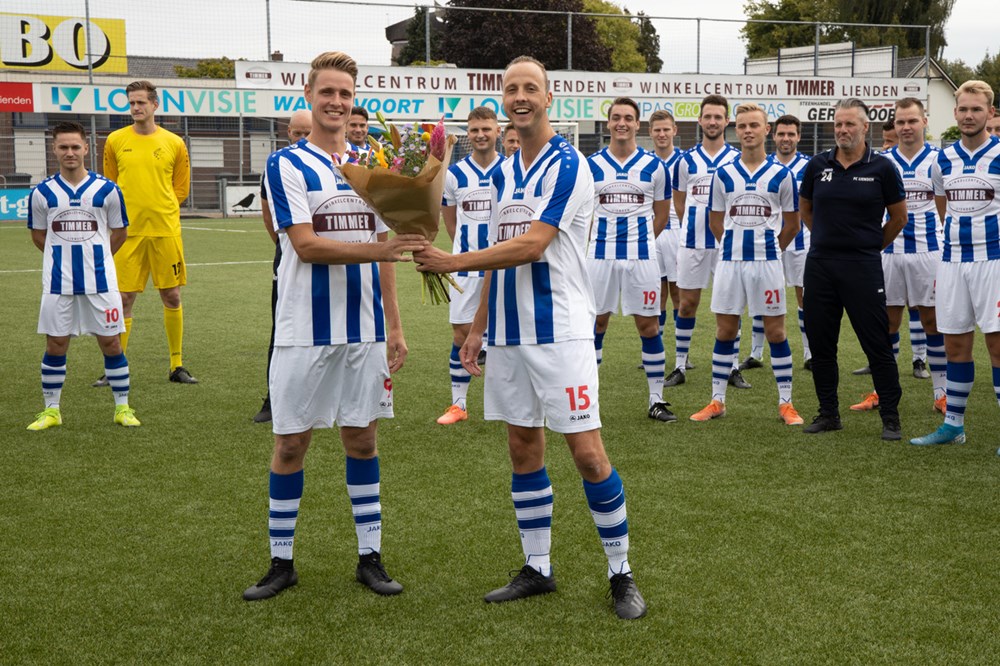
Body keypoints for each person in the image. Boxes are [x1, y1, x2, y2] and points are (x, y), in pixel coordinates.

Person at [414, 55, 647, 620]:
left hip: (562, 334)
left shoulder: (570, 166)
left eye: (530, 89)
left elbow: (532, 245)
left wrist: (451, 262)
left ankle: (621, 572)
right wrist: (477, 326)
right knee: (523, 447)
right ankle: (537, 567)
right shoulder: (504, 172)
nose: (520, 97)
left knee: (588, 455)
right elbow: (503, 260)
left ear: (549, 99)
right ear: (503, 101)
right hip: (511, 337)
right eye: (510, 89)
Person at [242, 51, 428, 601]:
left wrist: (394, 326)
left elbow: (384, 258)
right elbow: (303, 245)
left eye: (346, 94)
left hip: (364, 331)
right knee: (291, 444)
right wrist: (383, 246)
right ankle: (281, 562)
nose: (337, 103)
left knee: (363, 440)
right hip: (303, 329)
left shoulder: (373, 164)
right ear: (310, 97)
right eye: (328, 92)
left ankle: (369, 557)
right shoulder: (285, 165)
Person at [799, 98, 908, 440]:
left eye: (849, 124)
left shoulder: (883, 168)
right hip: (820, 266)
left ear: (865, 127)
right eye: (838, 125)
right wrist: (828, 240)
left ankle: (890, 417)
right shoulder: (818, 165)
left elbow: (899, 217)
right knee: (821, 344)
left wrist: (869, 246)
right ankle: (828, 413)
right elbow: (806, 209)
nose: (843, 130)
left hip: (863, 266)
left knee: (876, 344)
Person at [689, 103, 802, 425]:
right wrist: (735, 246)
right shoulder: (722, 175)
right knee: (725, 330)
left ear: (766, 130)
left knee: (776, 332)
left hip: (767, 265)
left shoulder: (782, 175)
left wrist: (770, 250)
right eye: (742, 126)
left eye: (754, 125)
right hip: (730, 263)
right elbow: (715, 223)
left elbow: (792, 225)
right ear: (735, 130)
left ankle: (785, 403)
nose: (748, 131)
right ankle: (717, 400)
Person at [26, 121, 140, 430]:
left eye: (75, 146)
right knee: (56, 344)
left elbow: (119, 232)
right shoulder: (42, 192)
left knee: (111, 343)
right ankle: (51, 411)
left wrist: (97, 257)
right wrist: (59, 259)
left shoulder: (107, 190)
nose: (70, 152)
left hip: (101, 283)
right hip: (57, 283)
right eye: (63, 147)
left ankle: (122, 408)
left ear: (86, 148)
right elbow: (39, 236)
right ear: (54, 150)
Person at [911, 81, 1000, 447]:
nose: (968, 115)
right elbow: (944, 206)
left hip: (993, 262)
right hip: (951, 262)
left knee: (996, 346)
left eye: (976, 109)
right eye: (963, 109)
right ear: (955, 112)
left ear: (990, 113)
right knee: (955, 346)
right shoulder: (941, 160)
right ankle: (953, 426)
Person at [850, 98, 945, 416]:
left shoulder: (938, 159)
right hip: (887, 253)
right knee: (886, 324)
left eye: (912, 121)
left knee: (933, 322)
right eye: (901, 122)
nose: (906, 127)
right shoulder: (880, 161)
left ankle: (941, 393)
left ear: (924, 122)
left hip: (928, 252)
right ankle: (881, 390)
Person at [99, 80, 195, 385]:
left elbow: (181, 187)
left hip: (165, 231)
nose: (136, 108)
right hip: (128, 232)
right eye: (131, 103)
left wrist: (161, 209)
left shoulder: (174, 142)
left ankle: (177, 365)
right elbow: (111, 185)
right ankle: (116, 366)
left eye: (141, 102)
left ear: (154, 105)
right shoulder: (115, 140)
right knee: (124, 298)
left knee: (171, 294)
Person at [587, 97, 674, 422]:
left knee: (649, 326)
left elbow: (662, 216)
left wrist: (637, 242)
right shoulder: (591, 165)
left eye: (628, 118)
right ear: (608, 123)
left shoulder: (655, 166)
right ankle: (588, 399)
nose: (621, 123)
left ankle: (656, 399)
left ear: (638, 125)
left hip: (641, 258)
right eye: (616, 118)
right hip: (599, 257)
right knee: (595, 325)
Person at [668, 94, 750, 389]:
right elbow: (680, 204)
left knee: (731, 306)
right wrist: (695, 225)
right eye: (708, 117)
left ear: (726, 121)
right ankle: (680, 364)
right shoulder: (685, 161)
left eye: (718, 117)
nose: (713, 122)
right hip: (692, 243)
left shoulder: (737, 158)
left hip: (729, 245)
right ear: (700, 120)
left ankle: (731, 367)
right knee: (687, 304)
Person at [436, 106, 504, 425]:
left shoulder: (511, 170)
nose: (480, 135)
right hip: (465, 267)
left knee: (507, 336)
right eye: (474, 130)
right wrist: (466, 254)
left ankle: (507, 402)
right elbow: (451, 222)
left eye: (486, 129)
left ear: (497, 131)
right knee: (461, 334)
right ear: (468, 133)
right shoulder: (454, 174)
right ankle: (459, 405)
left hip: (504, 266)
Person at [253, 110, 313, 423]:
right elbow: (267, 215)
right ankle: (273, 399)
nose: (301, 138)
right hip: (289, 256)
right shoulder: (277, 163)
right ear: (288, 132)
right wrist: (286, 246)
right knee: (283, 326)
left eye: (307, 133)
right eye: (297, 133)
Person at [740, 114, 811, 372]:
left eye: (791, 134)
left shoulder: (809, 166)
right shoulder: (762, 165)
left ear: (799, 137)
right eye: (781, 134)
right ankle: (756, 353)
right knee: (761, 297)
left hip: (801, 243)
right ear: (773, 135)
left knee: (805, 298)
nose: (786, 138)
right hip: (768, 246)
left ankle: (809, 352)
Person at [648, 110, 684, 344]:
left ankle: (683, 351)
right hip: (653, 232)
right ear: (650, 132)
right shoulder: (645, 162)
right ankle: (657, 346)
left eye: (666, 129)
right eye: (657, 130)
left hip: (679, 232)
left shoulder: (685, 161)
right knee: (658, 292)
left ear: (674, 130)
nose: (662, 134)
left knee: (678, 293)